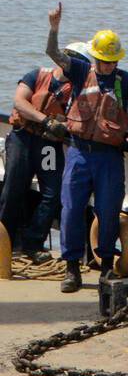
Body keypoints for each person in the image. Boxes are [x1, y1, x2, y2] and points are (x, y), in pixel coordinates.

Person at [42, 3, 128, 293]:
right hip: (79, 152)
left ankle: (106, 268)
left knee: (107, 209)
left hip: (108, 157)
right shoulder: (80, 71)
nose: (109, 65)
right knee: (71, 208)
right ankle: (71, 269)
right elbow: (53, 54)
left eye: (113, 60)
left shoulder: (124, 80)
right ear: (95, 58)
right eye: (105, 60)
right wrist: (54, 28)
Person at [0, 34, 74, 263]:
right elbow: (20, 102)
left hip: (48, 145)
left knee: (52, 193)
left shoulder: (79, 89)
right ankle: (5, 242)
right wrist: (45, 120)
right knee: (13, 189)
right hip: (23, 138)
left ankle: (33, 243)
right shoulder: (37, 75)